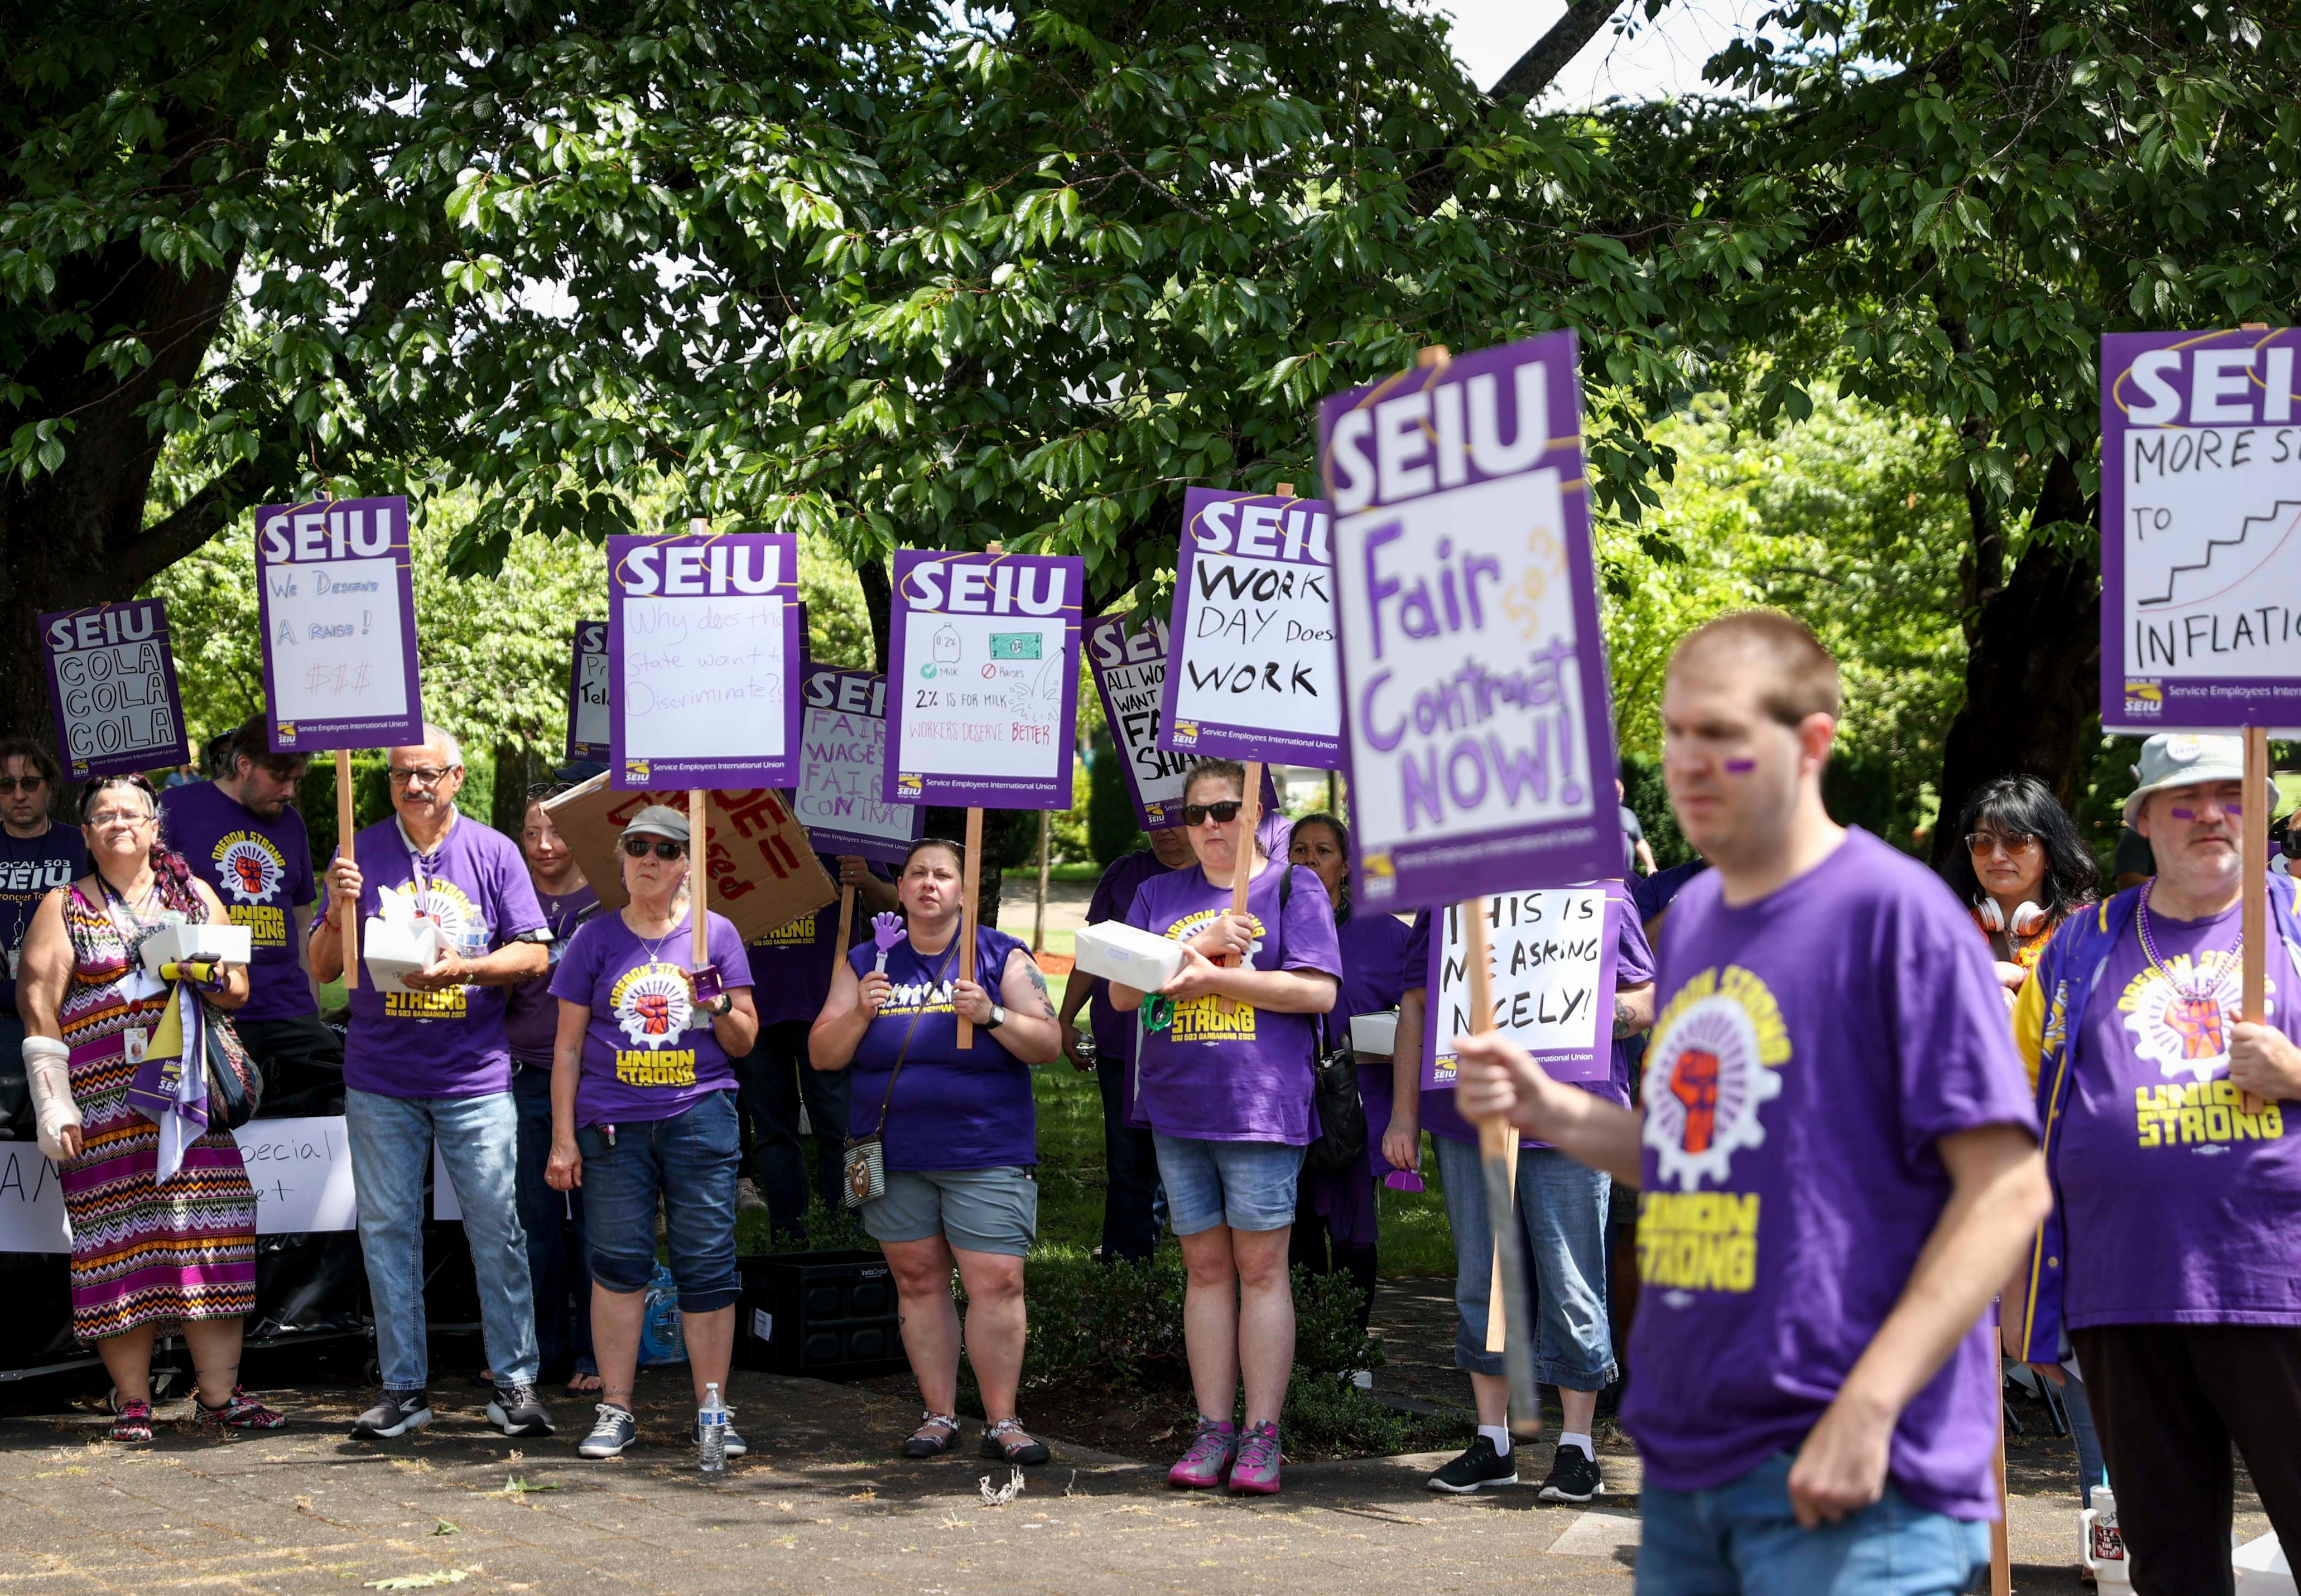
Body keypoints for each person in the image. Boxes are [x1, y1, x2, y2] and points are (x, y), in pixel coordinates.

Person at [1456, 611, 2049, 1594]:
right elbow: (1690, 1150)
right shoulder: (1689, 919)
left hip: (1853, 1474)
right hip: (1689, 1465)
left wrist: (1867, 1408)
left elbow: (2005, 1192)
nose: (1687, 762)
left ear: (1809, 743)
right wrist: (1548, 1108)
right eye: (1675, 733)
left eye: (1722, 736)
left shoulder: (1893, 915)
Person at [2009, 732, 2301, 1593]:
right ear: (2142, 819)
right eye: (2183, 796)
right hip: (2123, 1293)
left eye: (2232, 793)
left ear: (2264, 812)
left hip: (2278, 1289)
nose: (2210, 813)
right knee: (2169, 1565)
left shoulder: (2297, 922)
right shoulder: (2079, 946)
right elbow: (2012, 1100)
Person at [14, 774, 283, 1440]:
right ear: (87, 834)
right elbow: (37, 997)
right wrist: (53, 1100)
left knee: (210, 1231)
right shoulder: (65, 903)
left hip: (190, 1106)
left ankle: (219, 1395)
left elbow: (240, 987)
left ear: (155, 826)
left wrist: (211, 976)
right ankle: (133, 1400)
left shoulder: (194, 898)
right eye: (103, 816)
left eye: (130, 813)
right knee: (117, 1245)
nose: (118, 823)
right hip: (104, 1114)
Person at [307, 725, 553, 1442]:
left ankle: (514, 1383)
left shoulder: (494, 851)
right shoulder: (357, 852)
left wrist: (465, 969)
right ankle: (402, 1388)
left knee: (496, 1227)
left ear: (456, 776)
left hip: (473, 1076)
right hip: (380, 1077)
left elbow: (535, 954)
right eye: (399, 776)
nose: (412, 786)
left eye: (426, 774)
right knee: (387, 1230)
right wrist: (332, 902)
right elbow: (322, 968)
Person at [1109, 759, 1341, 1496]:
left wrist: (1216, 979)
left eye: (1227, 808)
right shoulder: (1157, 892)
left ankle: (1262, 1435)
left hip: (1259, 1108)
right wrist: (1200, 942)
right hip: (1177, 1106)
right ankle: (1212, 1427)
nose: (1211, 823)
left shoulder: (1293, 886)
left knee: (1261, 1270)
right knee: (1205, 1272)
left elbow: (1315, 990)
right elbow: (1120, 990)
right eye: (1197, 812)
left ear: (1257, 814)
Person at [1390, 884, 1655, 1500]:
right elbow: (1415, 1005)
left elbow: (1644, 999)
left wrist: (1581, 1015)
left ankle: (1578, 1446)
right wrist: (1403, 1115)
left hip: (1570, 1118)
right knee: (1481, 1282)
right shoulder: (1449, 894)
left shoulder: (1601, 893)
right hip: (1467, 1119)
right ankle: (1492, 1440)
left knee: (1571, 1280)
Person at [810, 837, 1063, 1466]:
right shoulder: (867, 959)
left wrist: (994, 1014)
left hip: (984, 1148)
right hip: (892, 1152)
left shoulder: (998, 955)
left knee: (996, 1281)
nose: (929, 884)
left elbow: (1049, 1041)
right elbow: (822, 1053)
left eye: (942, 874)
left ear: (963, 889)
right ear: (898, 888)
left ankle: (1002, 1419)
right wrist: (859, 1013)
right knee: (918, 1280)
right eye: (917, 873)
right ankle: (939, 1414)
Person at [547, 805, 759, 1462]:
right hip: (612, 1123)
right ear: (620, 858)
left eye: (666, 850)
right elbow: (567, 1049)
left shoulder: (715, 934)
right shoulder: (593, 939)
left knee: (707, 1265)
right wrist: (562, 1137)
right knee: (617, 1264)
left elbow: (745, 1039)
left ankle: (712, 1411)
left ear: (686, 865)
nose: (650, 859)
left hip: (699, 1114)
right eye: (637, 846)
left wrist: (717, 1001)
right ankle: (615, 1408)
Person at [159, 716, 343, 1112]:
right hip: (214, 1007)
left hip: (289, 1008)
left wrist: (311, 1009)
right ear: (244, 765)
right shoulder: (176, 808)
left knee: (343, 1086)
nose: (290, 790)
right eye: (281, 778)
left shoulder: (291, 823)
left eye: (298, 780)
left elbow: (299, 920)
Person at [1284, 813, 1407, 1339]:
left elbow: (1420, 1013)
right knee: (1295, 1227)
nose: (1310, 860)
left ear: (1348, 866)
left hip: (1357, 1108)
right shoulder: (1267, 922)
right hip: (1284, 1103)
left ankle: (1351, 1349)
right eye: (1300, 850)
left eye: (1324, 851)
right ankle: (1310, 1346)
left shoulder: (1384, 933)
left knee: (1355, 1231)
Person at [733, 851, 896, 1241]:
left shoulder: (839, 814)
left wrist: (865, 878)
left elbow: (890, 902)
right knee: (772, 1133)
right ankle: (789, 1233)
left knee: (841, 1126)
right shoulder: (740, 814)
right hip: (756, 1007)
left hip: (828, 1007)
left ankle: (846, 1229)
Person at [1058, 823, 1196, 1263]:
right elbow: (1093, 953)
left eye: (1175, 820)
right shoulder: (1124, 873)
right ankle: (1126, 1269)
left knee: (1189, 1161)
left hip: (1192, 1045)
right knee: (1127, 1158)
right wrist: (1064, 1019)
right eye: (1154, 821)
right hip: (1122, 1042)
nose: (1164, 832)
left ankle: (1203, 1265)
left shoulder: (1221, 882)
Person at [502, 789, 601, 1397]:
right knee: (530, 1224)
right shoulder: (510, 894)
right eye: (530, 830)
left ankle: (597, 1352)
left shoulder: (608, 898)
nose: (543, 845)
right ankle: (541, 1350)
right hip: (519, 1076)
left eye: (556, 831)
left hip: (595, 1080)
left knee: (597, 1227)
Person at [1942, 774, 2101, 1001]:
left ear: (2049, 854)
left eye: (2016, 840)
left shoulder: (2088, 929)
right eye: (1984, 841)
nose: (1997, 856)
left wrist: (2023, 978)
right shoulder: (1946, 932)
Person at [1, 737, 89, 1132]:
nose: (19, 794)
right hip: (1, 1018)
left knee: (61, 1133)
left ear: (51, 787)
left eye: (30, 783)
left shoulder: (80, 844)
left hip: (65, 1021)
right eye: (6, 785)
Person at [1619, 778, 1657, 877]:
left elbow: (1639, 842)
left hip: (1626, 877)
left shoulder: (1628, 814)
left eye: (1619, 792)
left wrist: (1651, 866)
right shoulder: (1594, 816)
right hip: (1602, 880)